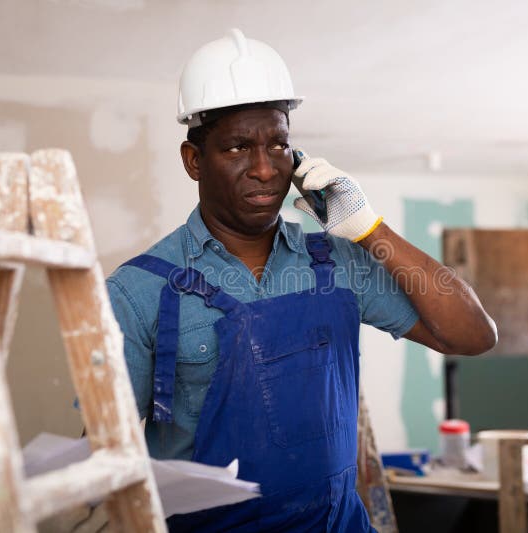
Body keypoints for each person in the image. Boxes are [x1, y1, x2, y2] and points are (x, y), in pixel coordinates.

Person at [107, 28, 496, 532]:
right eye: (239, 147)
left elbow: (474, 335)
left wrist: (369, 229)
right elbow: (108, 455)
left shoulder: (338, 264)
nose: (266, 169)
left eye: (279, 144)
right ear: (193, 160)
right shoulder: (140, 290)